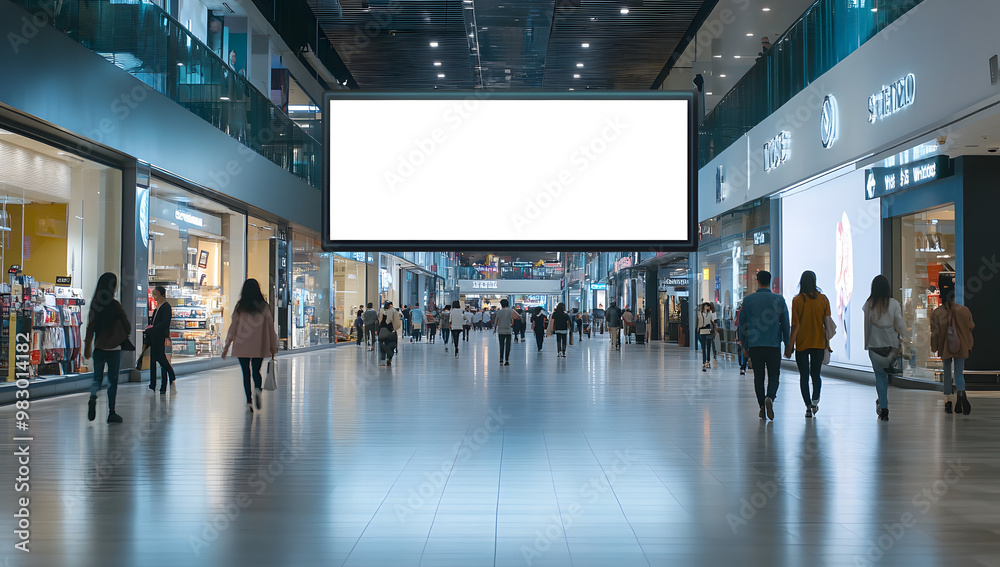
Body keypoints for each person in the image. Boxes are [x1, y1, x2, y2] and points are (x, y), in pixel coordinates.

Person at [738, 271, 790, 421]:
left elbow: (743, 325)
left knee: (758, 377)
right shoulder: (779, 300)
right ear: (770, 281)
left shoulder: (748, 301)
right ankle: (770, 397)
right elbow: (786, 324)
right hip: (773, 344)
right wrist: (787, 344)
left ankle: (762, 405)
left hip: (755, 345)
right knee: (774, 375)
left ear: (757, 281)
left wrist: (744, 345)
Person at [221, 279, 278, 413]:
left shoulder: (240, 307)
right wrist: (273, 346)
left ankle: (248, 402)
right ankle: (257, 389)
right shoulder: (264, 307)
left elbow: (233, 327)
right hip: (259, 345)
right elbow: (270, 327)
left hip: (242, 345)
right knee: (256, 371)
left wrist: (226, 346)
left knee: (245, 373)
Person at [83, 272, 131, 423]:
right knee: (112, 381)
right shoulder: (115, 305)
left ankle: (92, 397)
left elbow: (90, 327)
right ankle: (112, 412)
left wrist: (87, 346)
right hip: (114, 350)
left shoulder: (95, 304)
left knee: (96, 378)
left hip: (99, 348)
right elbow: (127, 326)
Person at [786, 271, 831, 418]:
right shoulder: (823, 299)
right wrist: (828, 343)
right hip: (818, 342)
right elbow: (827, 324)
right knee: (816, 374)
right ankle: (815, 400)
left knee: (804, 375)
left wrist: (790, 345)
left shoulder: (797, 300)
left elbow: (795, 324)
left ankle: (807, 406)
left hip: (802, 344)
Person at [863, 275, 907, 422]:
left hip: (875, 346)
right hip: (891, 347)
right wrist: (906, 337)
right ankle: (882, 404)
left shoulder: (869, 304)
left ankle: (884, 407)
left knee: (879, 377)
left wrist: (866, 344)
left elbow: (866, 327)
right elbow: (900, 323)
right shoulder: (894, 304)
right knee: (885, 376)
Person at [930, 275, 975, 416]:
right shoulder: (964, 310)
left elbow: (935, 333)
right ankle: (961, 395)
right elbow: (970, 327)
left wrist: (934, 347)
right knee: (959, 374)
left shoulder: (937, 313)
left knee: (947, 373)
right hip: (961, 346)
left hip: (945, 347)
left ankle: (948, 402)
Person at [146, 285, 177, 394]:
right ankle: (154, 384)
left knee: (160, 358)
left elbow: (165, 323)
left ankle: (169, 377)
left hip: (160, 337)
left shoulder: (166, 307)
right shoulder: (158, 307)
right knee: (156, 359)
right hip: (155, 336)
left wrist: (153, 328)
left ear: (161, 294)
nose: (154, 296)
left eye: (155, 294)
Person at [376, 300, 402, 366]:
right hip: (391, 331)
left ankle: (383, 360)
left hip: (382, 331)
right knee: (391, 346)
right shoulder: (394, 311)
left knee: (382, 346)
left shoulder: (381, 311)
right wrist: (395, 328)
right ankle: (389, 359)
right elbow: (397, 322)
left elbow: (379, 319)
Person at [493, 299, 517, 365]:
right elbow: (513, 321)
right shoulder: (510, 311)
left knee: (501, 345)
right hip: (508, 330)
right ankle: (507, 359)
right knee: (508, 345)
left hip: (500, 330)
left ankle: (501, 358)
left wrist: (495, 329)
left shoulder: (499, 312)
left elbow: (496, 322)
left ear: (501, 304)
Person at [696, 303, 716, 371]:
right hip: (704, 331)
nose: (708, 307)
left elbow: (713, 321)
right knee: (704, 347)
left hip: (706, 331)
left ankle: (707, 361)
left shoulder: (709, 313)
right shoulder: (700, 313)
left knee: (707, 347)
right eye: (707, 306)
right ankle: (706, 361)